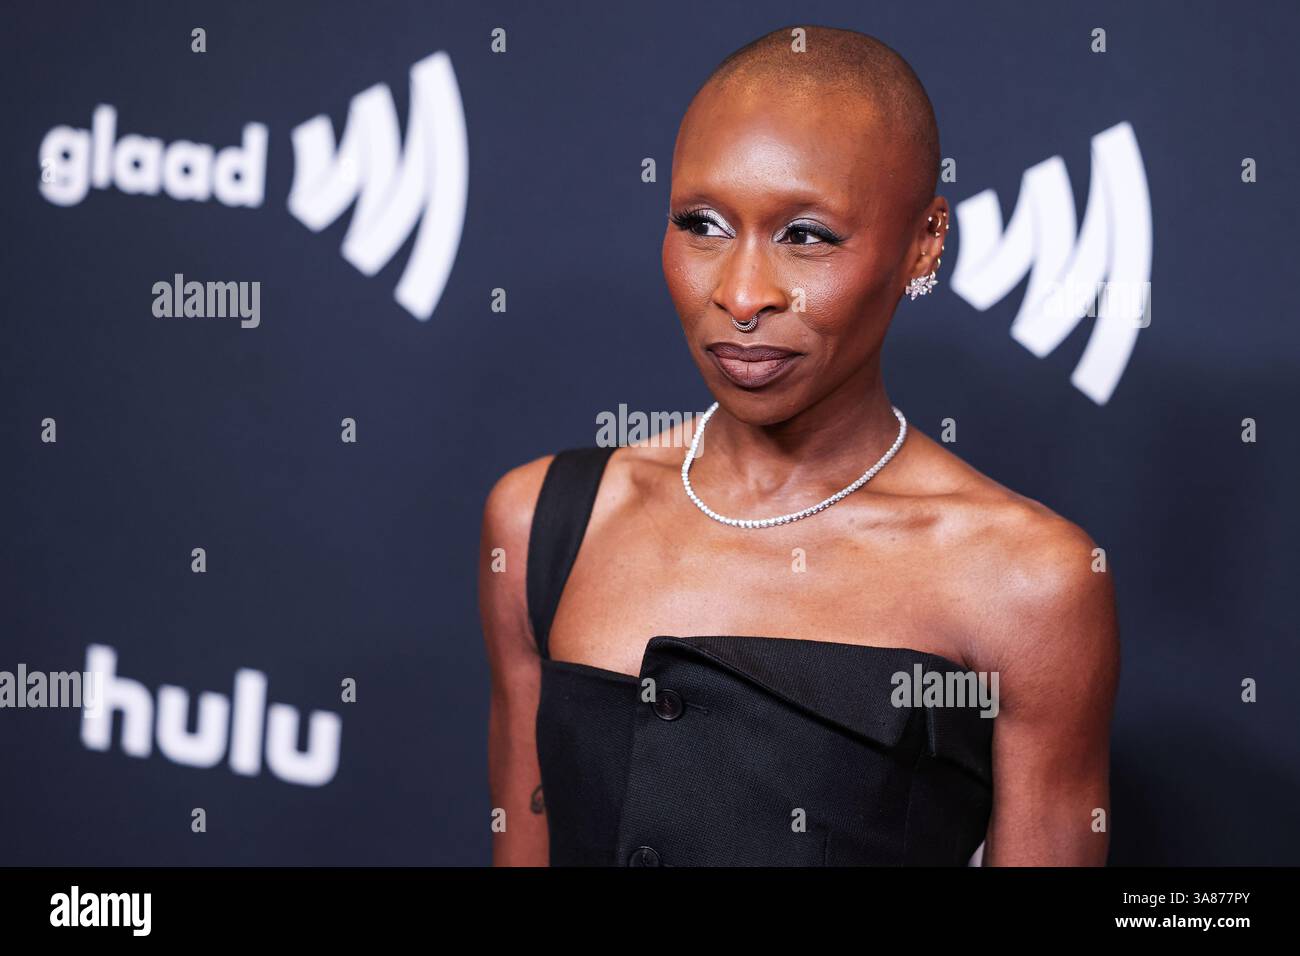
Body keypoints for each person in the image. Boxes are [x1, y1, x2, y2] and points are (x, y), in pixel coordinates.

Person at [480, 24, 1119, 866]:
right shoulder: (543, 522)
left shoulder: (1027, 582)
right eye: (702, 224)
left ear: (925, 241)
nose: (742, 294)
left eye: (807, 236)